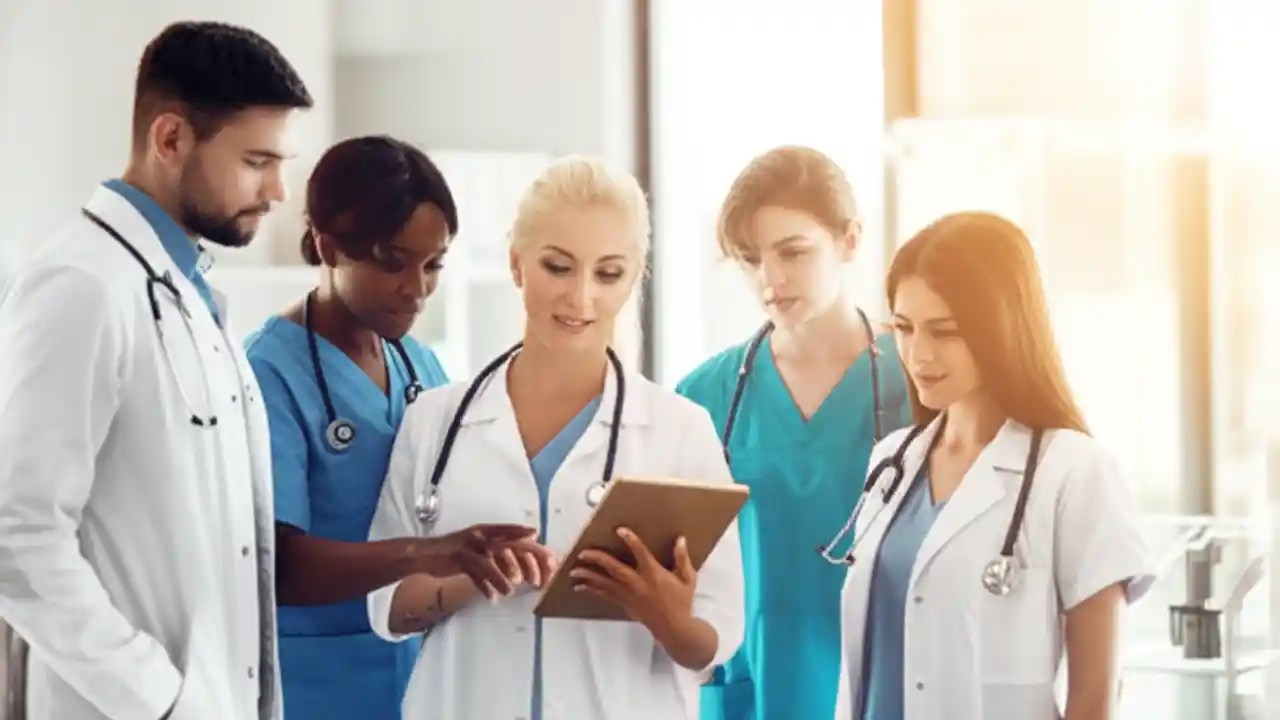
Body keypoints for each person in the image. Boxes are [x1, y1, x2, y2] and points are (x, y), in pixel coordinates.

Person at [0, 21, 312, 720]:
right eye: (258, 161)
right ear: (170, 139)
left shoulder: (188, 290)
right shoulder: (82, 284)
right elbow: (16, 539)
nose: (279, 190)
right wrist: (163, 702)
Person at [366, 155, 746, 720]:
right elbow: (387, 609)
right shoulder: (436, 420)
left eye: (609, 273)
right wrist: (472, 574)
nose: (581, 298)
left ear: (634, 277)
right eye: (558, 267)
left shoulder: (679, 431)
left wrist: (663, 614)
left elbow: (717, 638)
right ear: (517, 264)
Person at [244, 136, 553, 720]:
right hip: (311, 684)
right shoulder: (267, 372)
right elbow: (276, 564)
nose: (416, 289)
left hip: (418, 670)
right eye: (393, 261)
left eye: (433, 264)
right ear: (328, 246)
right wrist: (426, 553)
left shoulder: (421, 366)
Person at [834, 212, 1155, 720]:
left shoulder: (1072, 472)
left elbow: (1095, 698)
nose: (918, 354)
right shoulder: (892, 461)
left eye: (945, 332)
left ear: (1001, 327)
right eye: (904, 327)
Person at [675, 145, 913, 720]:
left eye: (793, 252)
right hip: (750, 692)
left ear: (850, 240)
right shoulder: (703, 399)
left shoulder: (917, 383)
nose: (769, 279)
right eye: (749, 259)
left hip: (883, 685)